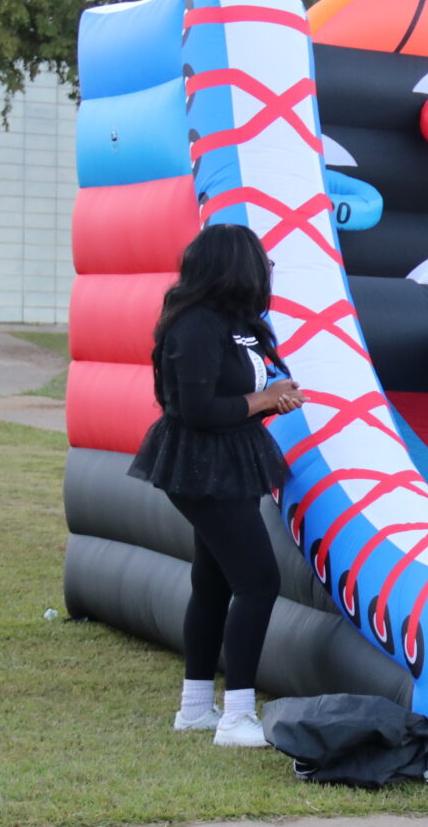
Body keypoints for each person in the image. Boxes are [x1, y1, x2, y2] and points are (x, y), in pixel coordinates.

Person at [128, 223, 306, 748]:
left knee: (214, 582)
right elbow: (198, 410)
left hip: (231, 457)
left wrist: (275, 393)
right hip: (200, 465)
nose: (269, 267)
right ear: (234, 265)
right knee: (259, 581)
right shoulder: (196, 326)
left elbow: (240, 392)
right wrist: (266, 400)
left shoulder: (238, 322)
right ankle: (236, 718)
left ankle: (196, 708)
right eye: (260, 258)